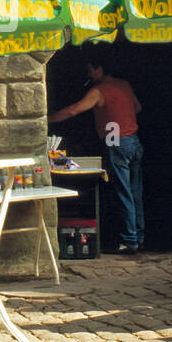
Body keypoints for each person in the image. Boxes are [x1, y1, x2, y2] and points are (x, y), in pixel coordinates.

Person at [48, 52, 144, 253]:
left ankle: (130, 241)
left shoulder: (99, 90)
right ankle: (138, 236)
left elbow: (74, 110)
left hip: (116, 142)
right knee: (135, 192)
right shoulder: (124, 84)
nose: (90, 74)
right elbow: (137, 107)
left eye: (91, 69)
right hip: (134, 141)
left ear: (100, 68)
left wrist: (47, 119)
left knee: (123, 192)